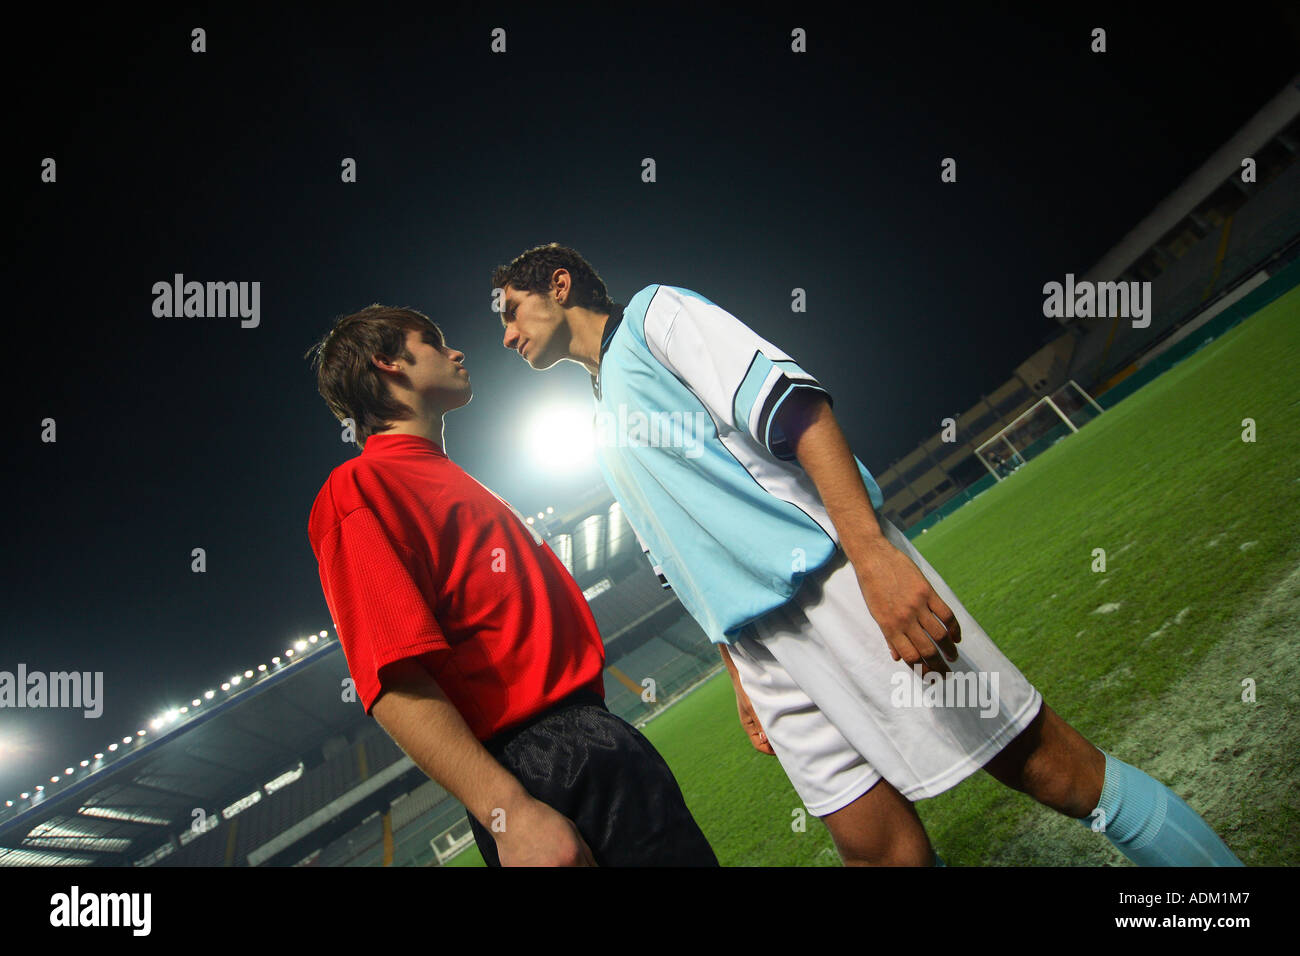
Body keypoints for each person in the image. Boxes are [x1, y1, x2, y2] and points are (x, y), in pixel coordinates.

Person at [491, 242, 1243, 867]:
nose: (505, 334)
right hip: (761, 651)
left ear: (559, 285)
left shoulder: (661, 314)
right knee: (878, 852)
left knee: (1052, 770)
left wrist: (875, 558)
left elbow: (798, 410)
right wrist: (739, 674)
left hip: (834, 588)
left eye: (510, 310)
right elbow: (681, 566)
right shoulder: (599, 419)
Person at [304, 303, 717, 867]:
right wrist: (511, 813)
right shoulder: (359, 488)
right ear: (387, 362)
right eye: (431, 340)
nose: (456, 351)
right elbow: (394, 676)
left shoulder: (448, 475)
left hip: (592, 739)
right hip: (543, 762)